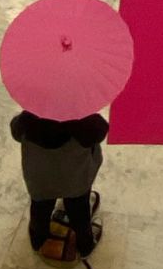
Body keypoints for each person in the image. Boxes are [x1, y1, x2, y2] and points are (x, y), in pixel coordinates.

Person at [10, 110, 107, 259]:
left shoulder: (27, 120)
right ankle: (85, 245)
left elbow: (15, 132)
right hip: (76, 182)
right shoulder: (88, 122)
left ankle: (37, 240)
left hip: (40, 181)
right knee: (79, 214)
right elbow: (101, 131)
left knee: (39, 211)